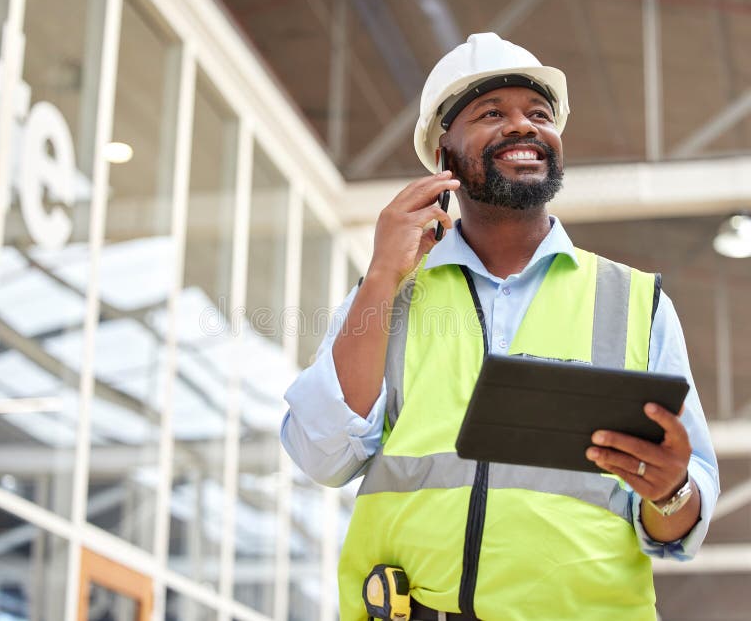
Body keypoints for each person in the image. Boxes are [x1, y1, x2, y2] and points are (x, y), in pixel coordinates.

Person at [281, 33, 719, 621]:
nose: (524, 126)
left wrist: (673, 490)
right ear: (444, 155)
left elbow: (676, 526)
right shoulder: (389, 297)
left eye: (539, 114)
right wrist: (382, 275)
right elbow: (322, 456)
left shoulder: (636, 301)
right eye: (493, 113)